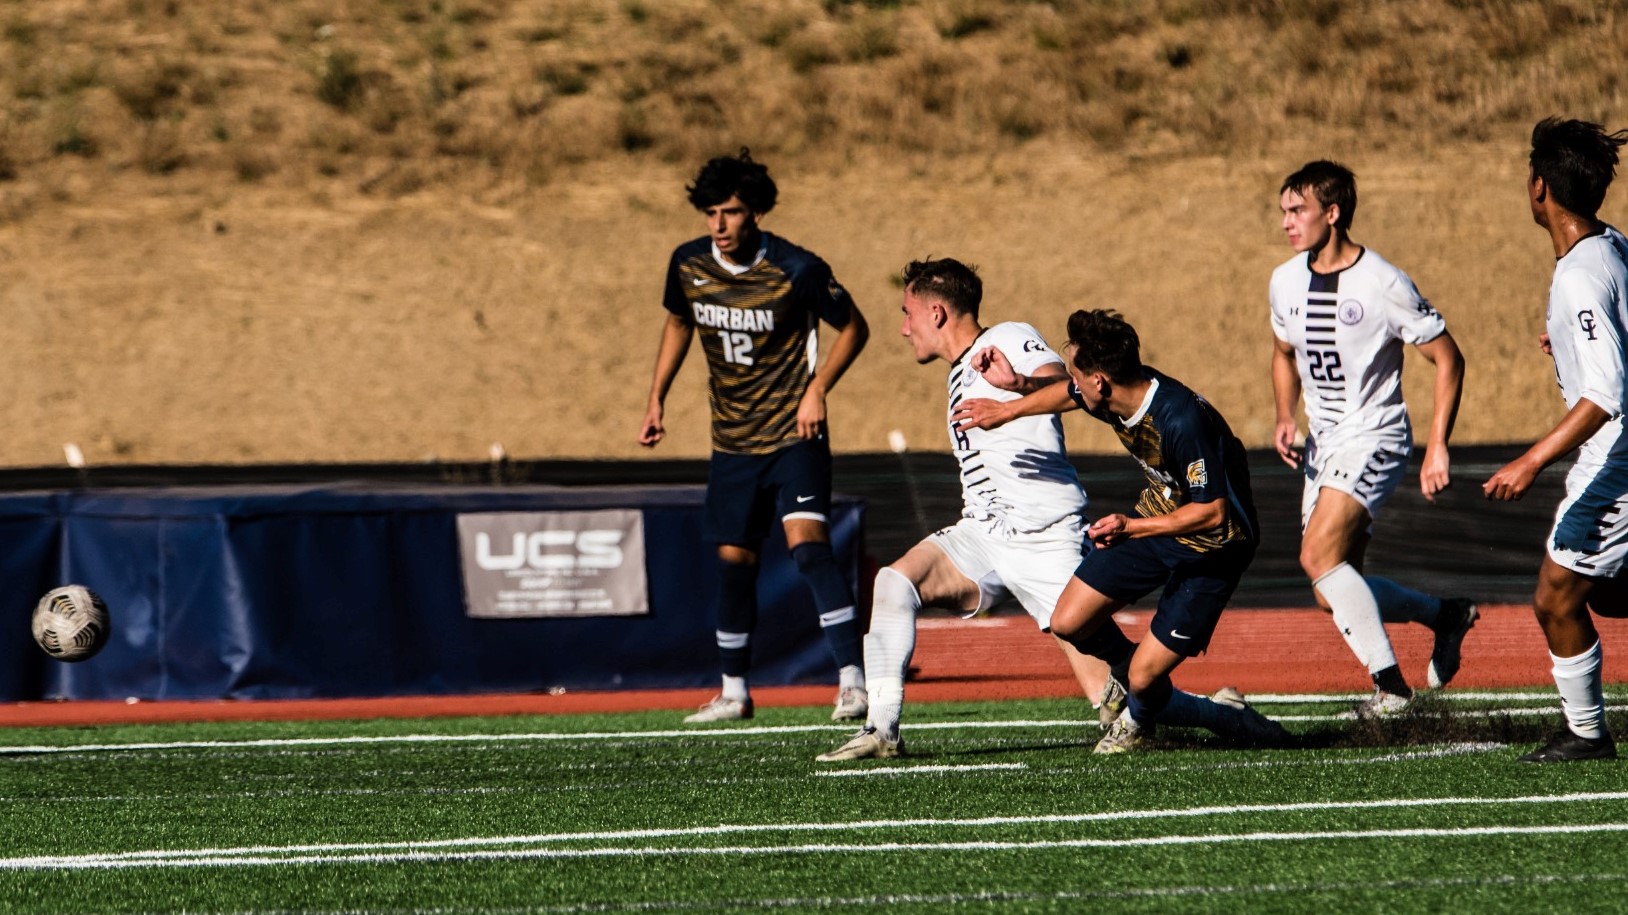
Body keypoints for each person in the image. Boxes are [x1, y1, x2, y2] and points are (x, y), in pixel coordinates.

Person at [817, 258, 1115, 762]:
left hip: (1041, 535)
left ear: (936, 313)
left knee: (1122, 705)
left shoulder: (1004, 338)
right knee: (894, 582)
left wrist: (1018, 386)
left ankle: (1219, 712)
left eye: (908, 313)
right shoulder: (960, 371)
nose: (903, 326)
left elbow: (1074, 388)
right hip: (984, 533)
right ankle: (881, 729)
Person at [957, 308, 1289, 754]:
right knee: (1068, 621)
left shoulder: (1180, 420)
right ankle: (1135, 679)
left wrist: (1132, 527)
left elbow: (1212, 513)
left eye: (1076, 373)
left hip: (1215, 546)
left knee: (1145, 678)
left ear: (1100, 381)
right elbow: (1065, 394)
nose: (1070, 382)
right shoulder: (1114, 392)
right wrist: (1014, 399)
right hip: (1157, 521)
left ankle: (1140, 718)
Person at [639, 148, 871, 723]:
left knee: (811, 551)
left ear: (757, 213)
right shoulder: (688, 264)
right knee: (733, 563)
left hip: (795, 435)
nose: (718, 226)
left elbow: (854, 328)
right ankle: (735, 691)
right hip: (732, 443)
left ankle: (851, 682)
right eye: (711, 213)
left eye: (732, 213)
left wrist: (817, 390)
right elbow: (677, 322)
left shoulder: (797, 268)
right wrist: (656, 397)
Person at [1270, 160, 1477, 718]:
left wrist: (1438, 444)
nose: (1287, 222)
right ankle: (1445, 615)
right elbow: (1283, 352)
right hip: (1324, 446)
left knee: (1316, 556)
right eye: (1284, 211)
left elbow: (1448, 357)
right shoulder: (1285, 279)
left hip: (1376, 436)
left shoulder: (1382, 281)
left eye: (1298, 210)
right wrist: (1284, 414)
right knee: (1331, 586)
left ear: (1332, 214)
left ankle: (1392, 690)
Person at [1484, 116, 1628, 762]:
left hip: (1616, 461)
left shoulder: (1578, 276)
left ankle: (1586, 734)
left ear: (1540, 187)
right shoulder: (1612, 245)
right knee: (1605, 587)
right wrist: (1568, 342)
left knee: (1556, 592)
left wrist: (1530, 459)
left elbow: (1606, 392)